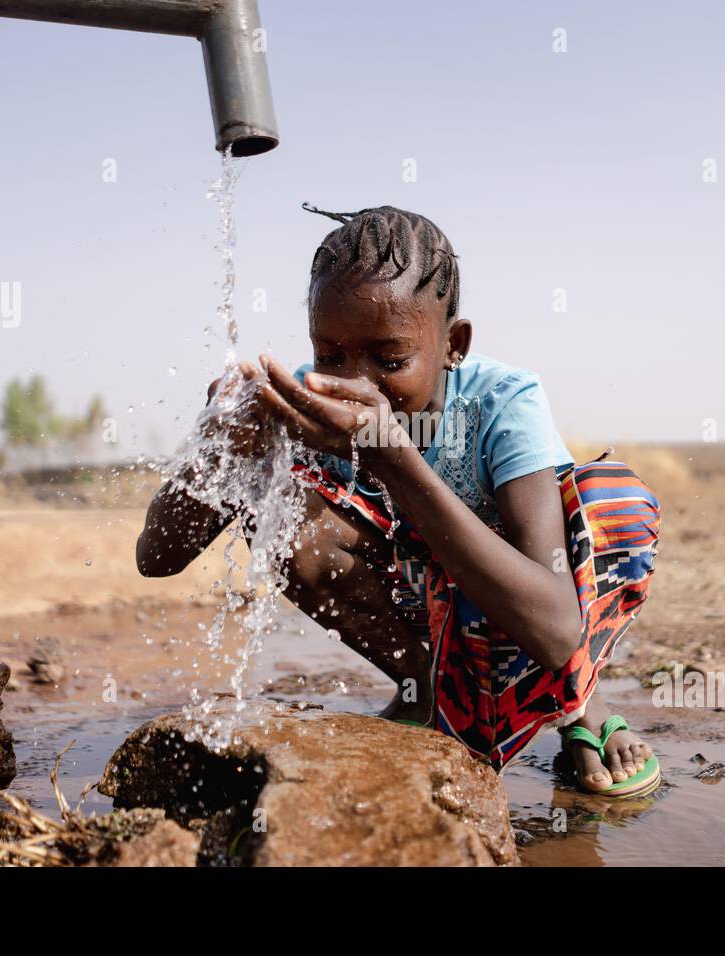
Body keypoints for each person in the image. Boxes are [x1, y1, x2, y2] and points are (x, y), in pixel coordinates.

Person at [137, 204, 661, 797]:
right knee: (282, 507)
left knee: (608, 497)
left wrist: (395, 458)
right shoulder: (306, 402)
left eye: (390, 361)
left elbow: (557, 626)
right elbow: (156, 558)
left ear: (453, 345)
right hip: (420, 596)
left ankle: (582, 704)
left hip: (519, 598)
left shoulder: (501, 402)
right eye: (330, 354)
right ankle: (425, 691)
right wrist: (218, 450)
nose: (356, 383)